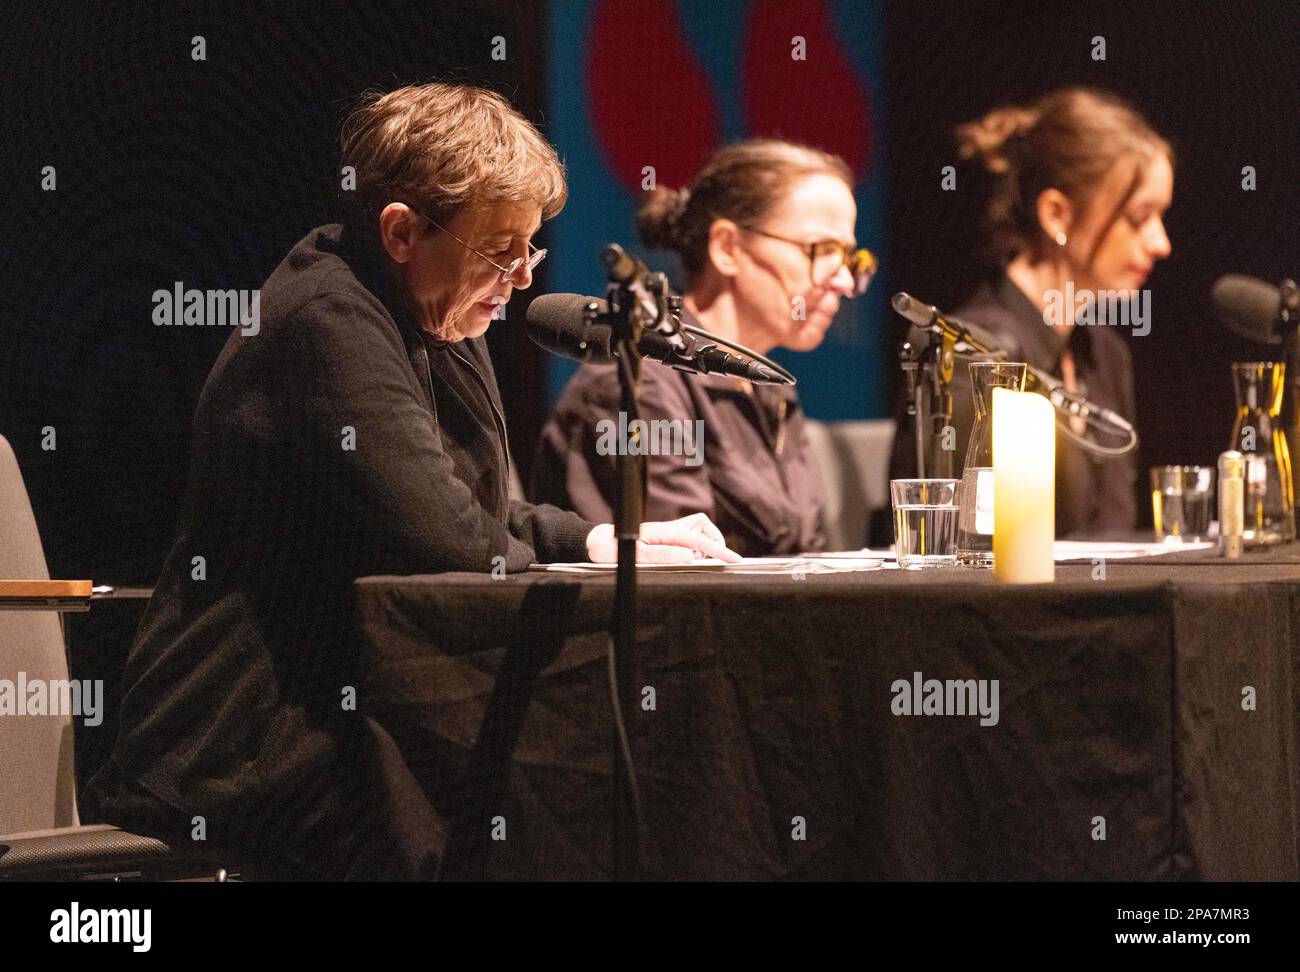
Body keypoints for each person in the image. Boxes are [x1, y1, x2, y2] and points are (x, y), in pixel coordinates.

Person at [84, 82, 737, 880]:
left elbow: (480, 508)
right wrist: (571, 548)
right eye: (504, 249)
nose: (524, 279)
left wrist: (603, 538)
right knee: (534, 813)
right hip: (246, 742)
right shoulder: (326, 318)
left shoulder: (434, 308)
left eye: (531, 248)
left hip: (355, 716)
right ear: (402, 230)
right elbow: (446, 536)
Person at [532, 140, 875, 556]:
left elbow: (804, 554)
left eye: (853, 261)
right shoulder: (640, 380)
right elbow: (687, 575)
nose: (842, 281)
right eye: (823, 251)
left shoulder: (769, 385)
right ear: (728, 248)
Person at [889, 87, 1173, 538]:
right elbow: (952, 547)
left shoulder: (1105, 354)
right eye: (1139, 217)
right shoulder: (969, 354)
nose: (1161, 243)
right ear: (1057, 214)